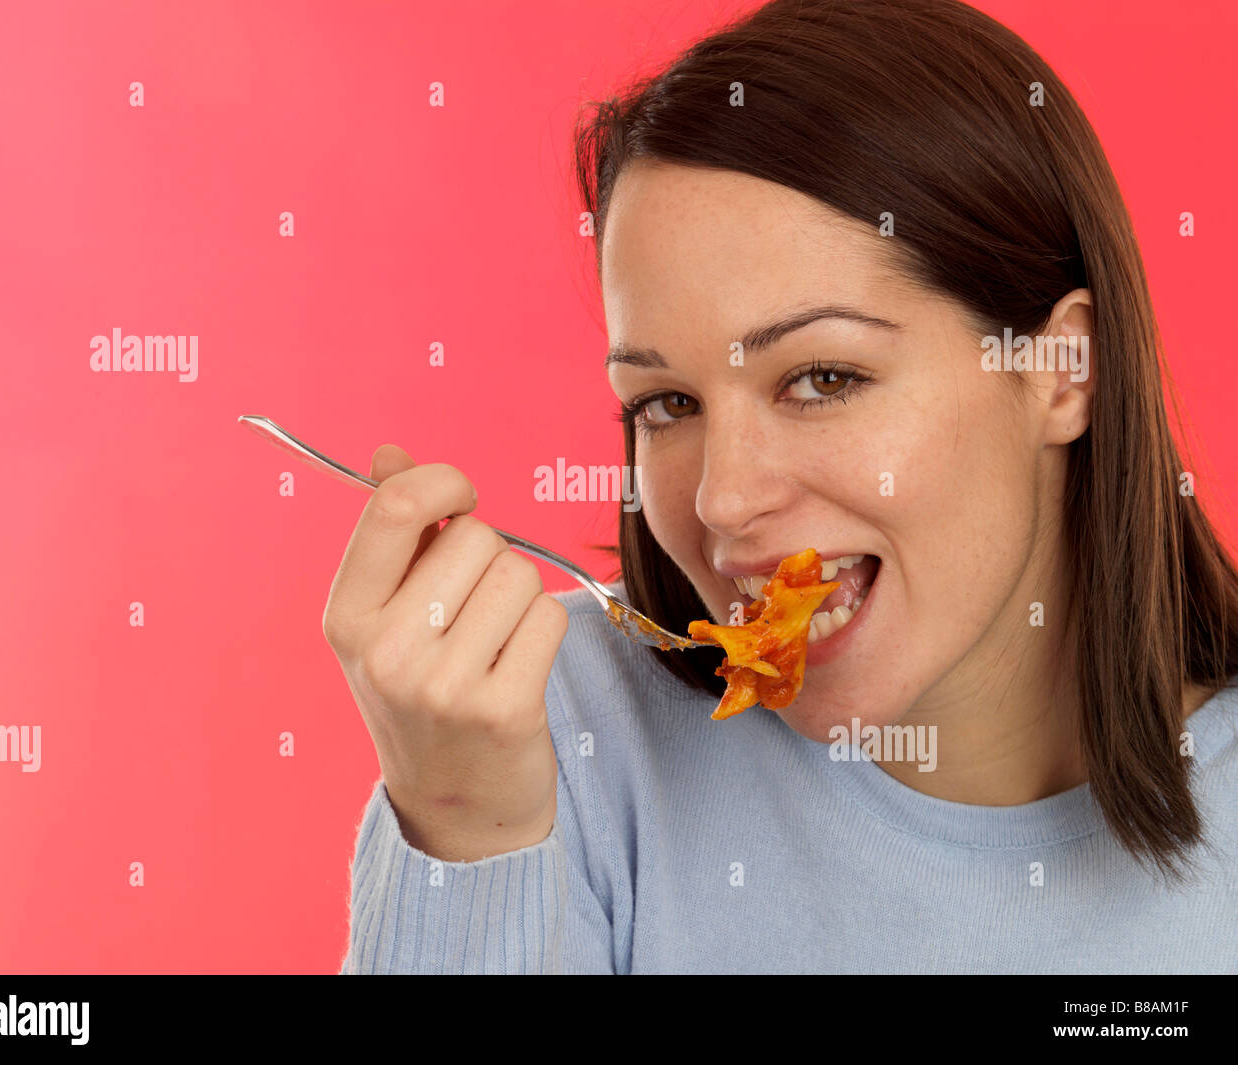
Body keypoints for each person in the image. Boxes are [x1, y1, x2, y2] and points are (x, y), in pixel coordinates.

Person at [329, 0, 1238, 973]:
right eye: (667, 403)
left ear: (1064, 369)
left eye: (823, 379)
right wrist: (464, 841)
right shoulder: (540, 741)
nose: (722, 501)